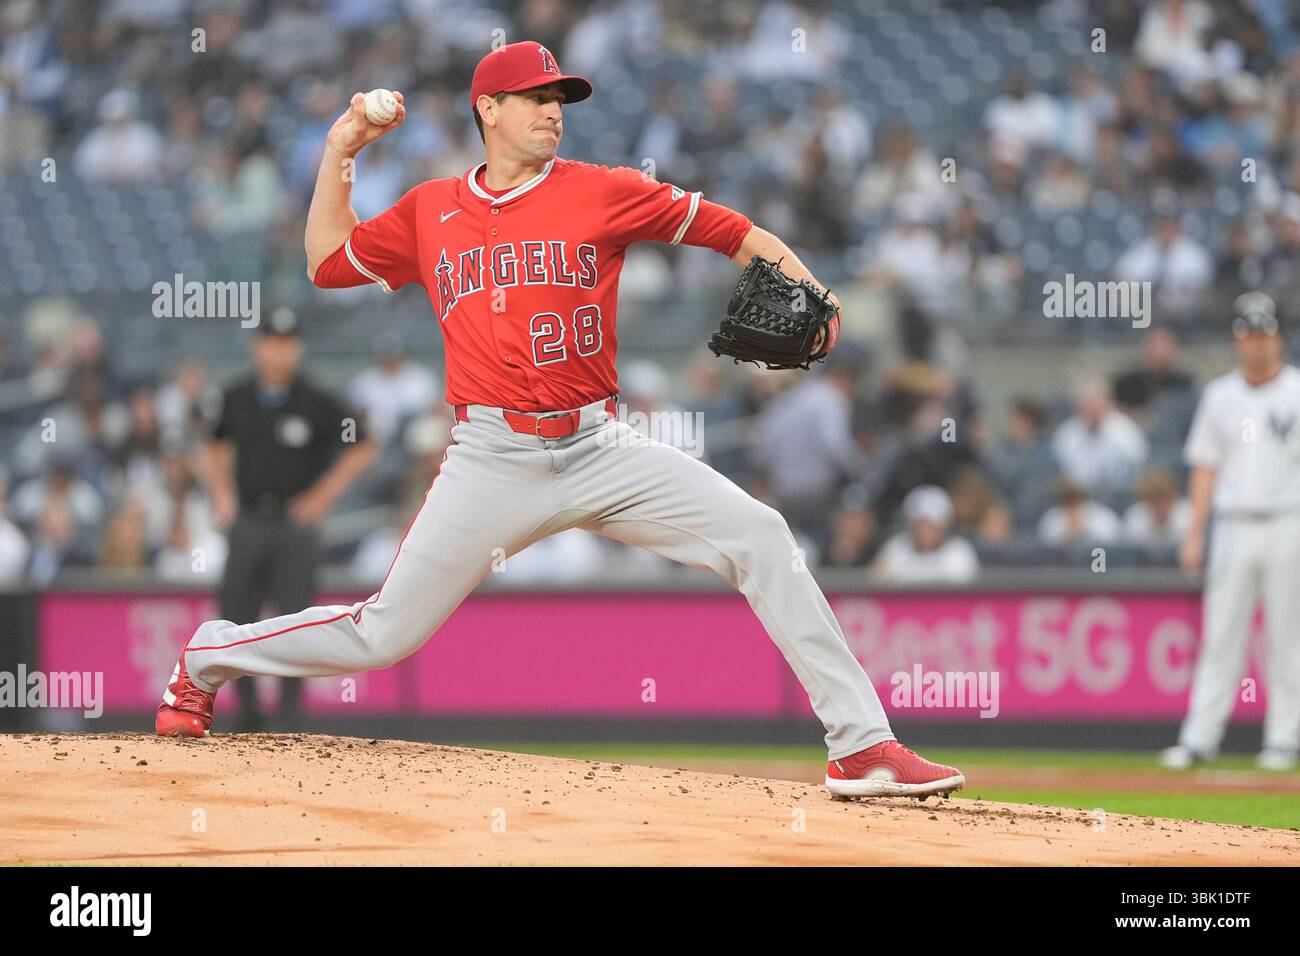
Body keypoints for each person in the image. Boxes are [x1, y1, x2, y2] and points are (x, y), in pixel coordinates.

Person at [156, 41, 964, 800]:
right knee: (383, 636)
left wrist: (810, 288)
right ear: (489, 109)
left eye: (561, 97)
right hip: (490, 455)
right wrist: (341, 153)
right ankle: (210, 655)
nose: (554, 109)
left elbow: (729, 230)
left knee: (759, 534)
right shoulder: (431, 210)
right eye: (537, 97)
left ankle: (860, 743)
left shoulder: (602, 189)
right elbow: (327, 263)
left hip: (597, 444)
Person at [203, 307, 378, 731]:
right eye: (271, 343)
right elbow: (215, 445)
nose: (279, 352)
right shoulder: (236, 396)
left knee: (296, 618)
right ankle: (246, 713)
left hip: (294, 526)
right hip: (247, 520)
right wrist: (222, 494)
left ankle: (290, 717)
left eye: (287, 344)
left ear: (297, 348)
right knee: (236, 613)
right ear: (258, 346)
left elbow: (363, 444)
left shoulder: (316, 401)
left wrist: (324, 494)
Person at [1161, 293, 1300, 772]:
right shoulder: (1221, 396)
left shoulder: (1297, 391)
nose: (1257, 345)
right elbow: (1205, 468)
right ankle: (1199, 737)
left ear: (1277, 337)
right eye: (1248, 336)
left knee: (1288, 638)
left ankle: (1284, 738)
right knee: (1221, 636)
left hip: (1288, 522)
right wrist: (1194, 532)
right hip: (1234, 525)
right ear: (1237, 341)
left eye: (1264, 334)